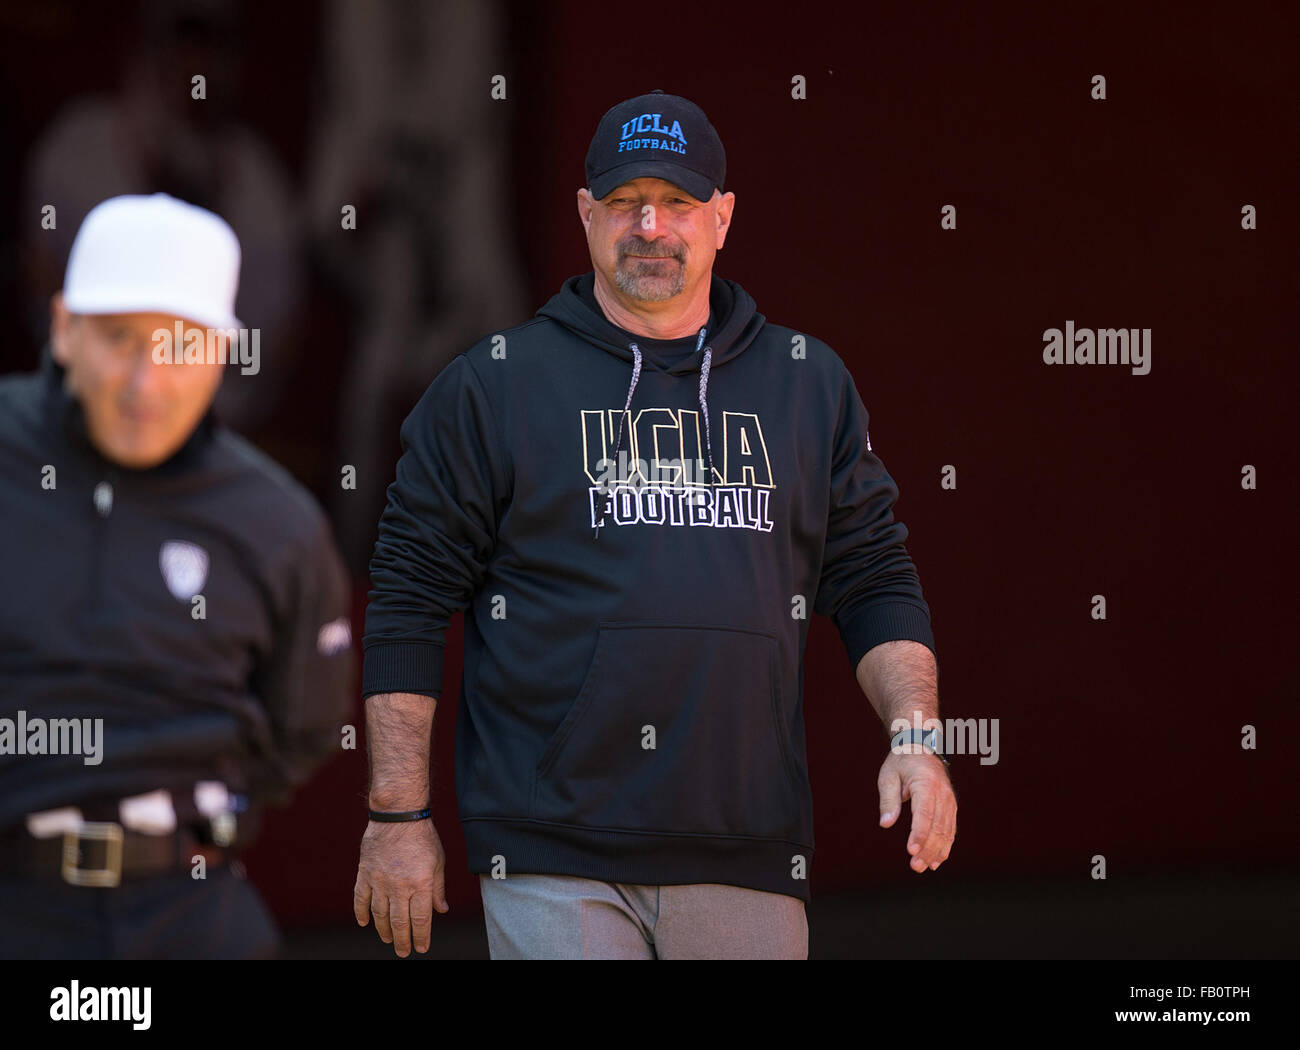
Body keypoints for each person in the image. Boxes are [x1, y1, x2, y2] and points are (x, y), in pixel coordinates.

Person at [354, 91, 955, 960]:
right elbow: (407, 602)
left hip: (746, 847)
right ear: (586, 214)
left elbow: (874, 580)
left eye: (678, 202)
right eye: (627, 201)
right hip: (551, 848)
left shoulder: (806, 384)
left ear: (722, 218)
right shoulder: (496, 387)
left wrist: (916, 740)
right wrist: (396, 815)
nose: (651, 225)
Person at [0, 193, 353, 959]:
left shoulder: (277, 525)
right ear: (63, 329)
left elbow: (303, 729)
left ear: (224, 352)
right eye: (120, 338)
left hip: (188, 911)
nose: (146, 382)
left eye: (181, 346)